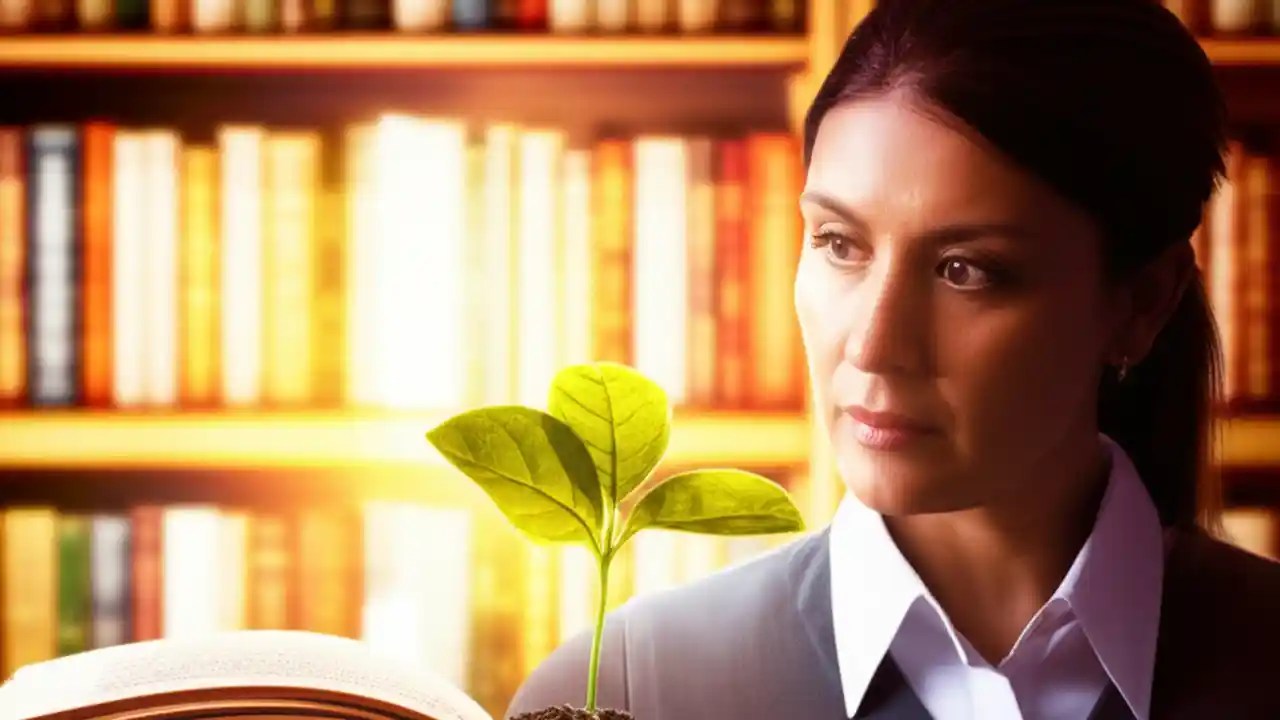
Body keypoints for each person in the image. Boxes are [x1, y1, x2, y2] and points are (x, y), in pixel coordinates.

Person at [505, 0, 1280, 717]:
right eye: (839, 245)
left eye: (966, 270)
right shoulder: (627, 689)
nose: (873, 346)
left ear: (1142, 302)